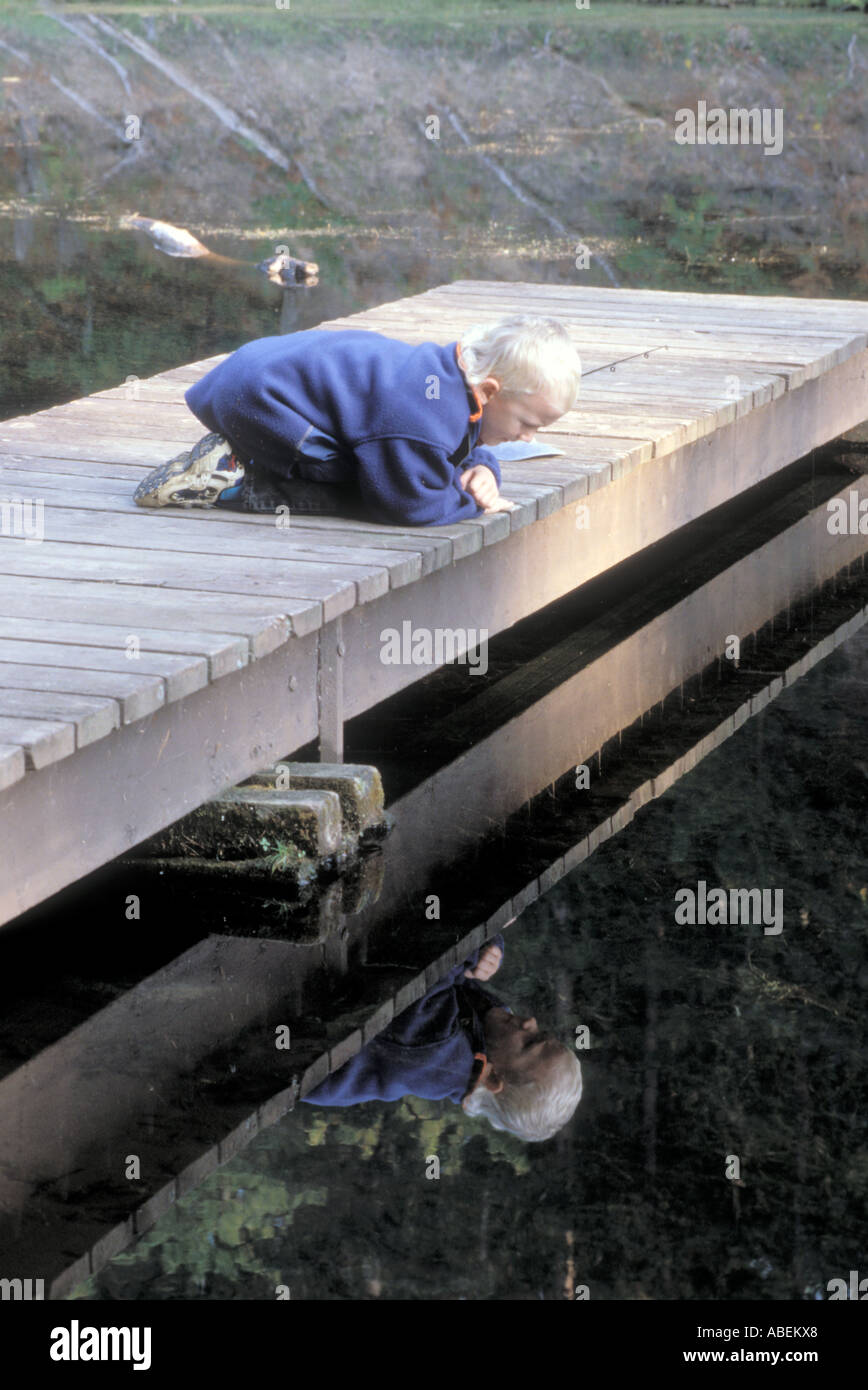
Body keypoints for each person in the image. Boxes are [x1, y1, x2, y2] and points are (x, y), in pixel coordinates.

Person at [133, 315, 581, 527]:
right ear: (488, 392)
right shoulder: (421, 417)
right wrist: (470, 502)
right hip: (258, 402)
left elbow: (457, 441)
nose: (527, 436)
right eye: (528, 423)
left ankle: (234, 454)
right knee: (362, 482)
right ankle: (233, 480)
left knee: (387, 459)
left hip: (250, 372)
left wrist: (482, 468)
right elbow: (409, 505)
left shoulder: (445, 375)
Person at [302, 936, 583, 1144]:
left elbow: (418, 968)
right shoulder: (488, 1038)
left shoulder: (439, 1054)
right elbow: (455, 977)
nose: (530, 1023)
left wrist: (470, 954)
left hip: (304, 1053)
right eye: (541, 1033)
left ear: (494, 1078)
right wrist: (488, 952)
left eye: (529, 1042)